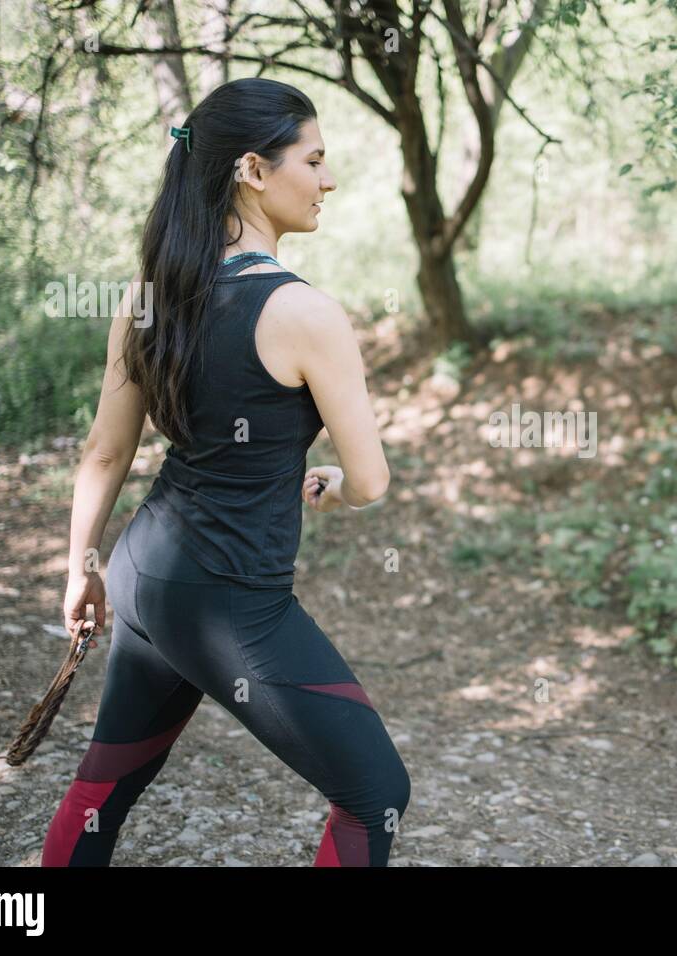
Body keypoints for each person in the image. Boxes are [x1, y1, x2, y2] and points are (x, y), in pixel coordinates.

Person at [41, 77, 409, 867]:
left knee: (107, 788)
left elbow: (105, 451)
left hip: (143, 575)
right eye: (314, 159)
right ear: (252, 168)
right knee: (376, 794)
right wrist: (336, 489)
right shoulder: (306, 313)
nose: (329, 179)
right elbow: (370, 481)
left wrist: (82, 569)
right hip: (229, 599)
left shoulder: (152, 293)